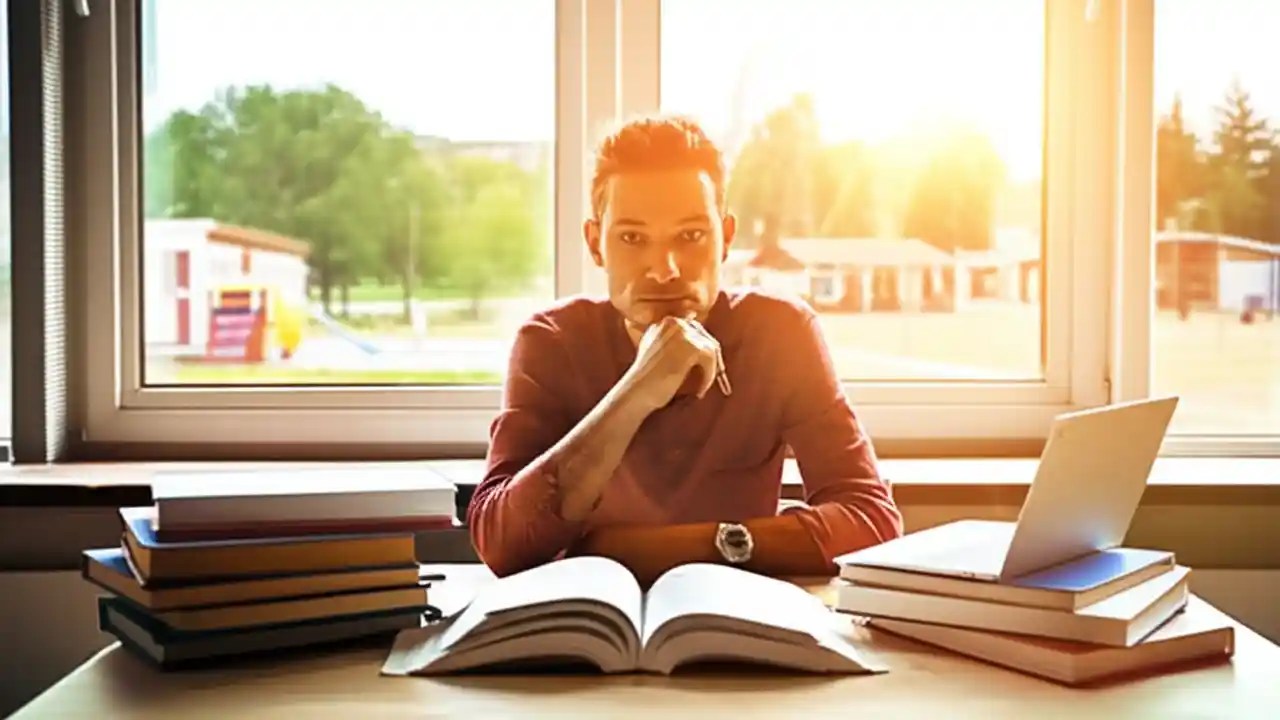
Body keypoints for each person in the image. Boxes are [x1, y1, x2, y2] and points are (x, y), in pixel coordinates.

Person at [468, 115, 902, 585]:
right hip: (589, 628)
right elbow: (500, 543)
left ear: (726, 239)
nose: (664, 269)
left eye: (691, 236)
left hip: (739, 618)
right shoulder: (550, 341)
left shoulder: (780, 333)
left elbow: (873, 523)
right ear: (596, 244)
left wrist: (636, 550)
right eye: (632, 238)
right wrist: (637, 390)